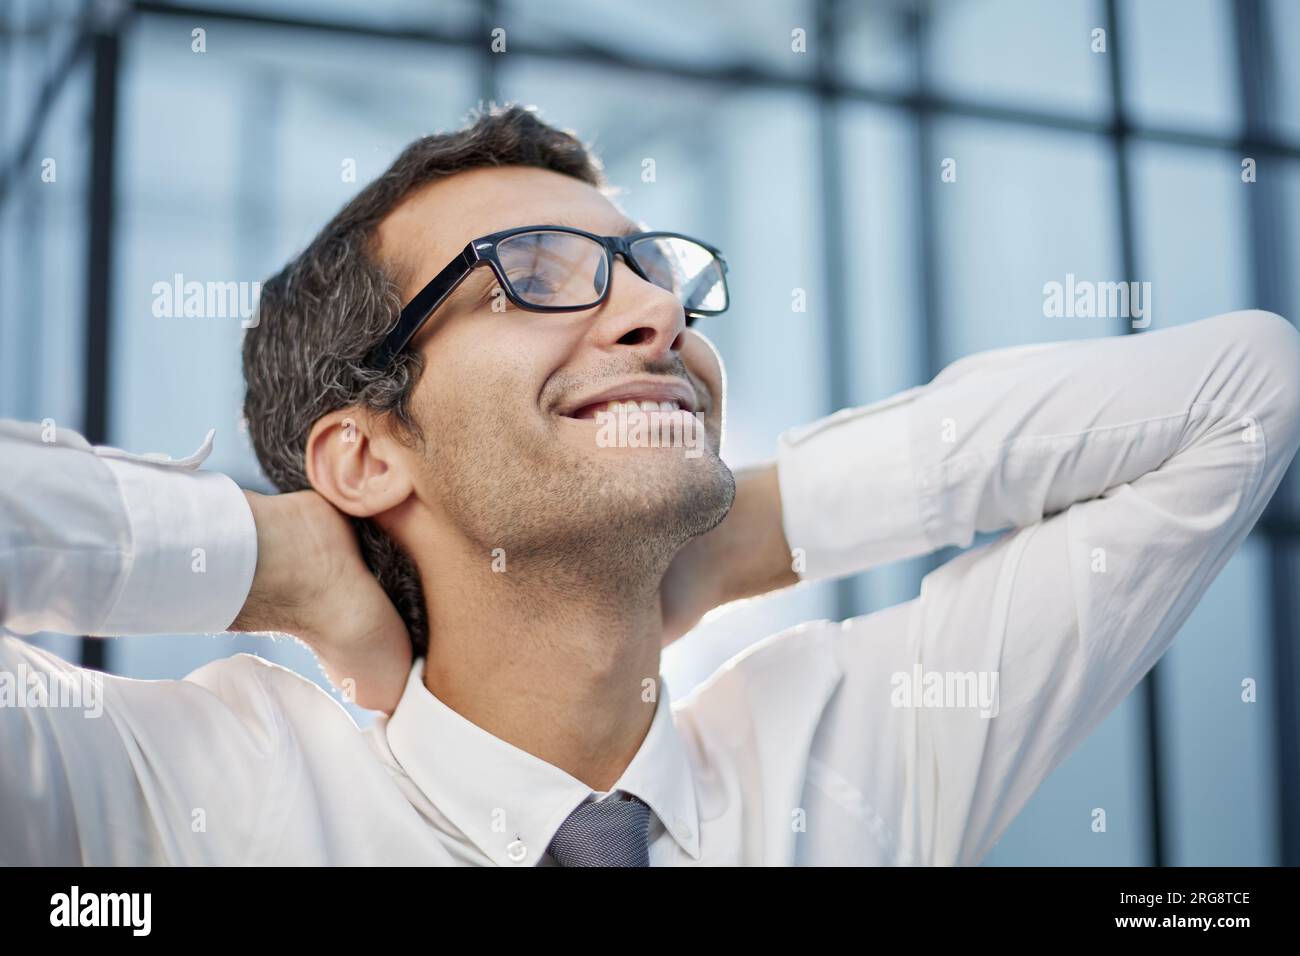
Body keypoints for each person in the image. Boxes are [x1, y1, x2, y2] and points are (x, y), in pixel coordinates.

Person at [3, 105, 1298, 866]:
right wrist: (264, 561)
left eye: (655, 276)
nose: (652, 315)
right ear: (366, 453)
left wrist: (750, 529)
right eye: (542, 269)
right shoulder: (173, 799)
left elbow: (1245, 393)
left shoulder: (851, 754)